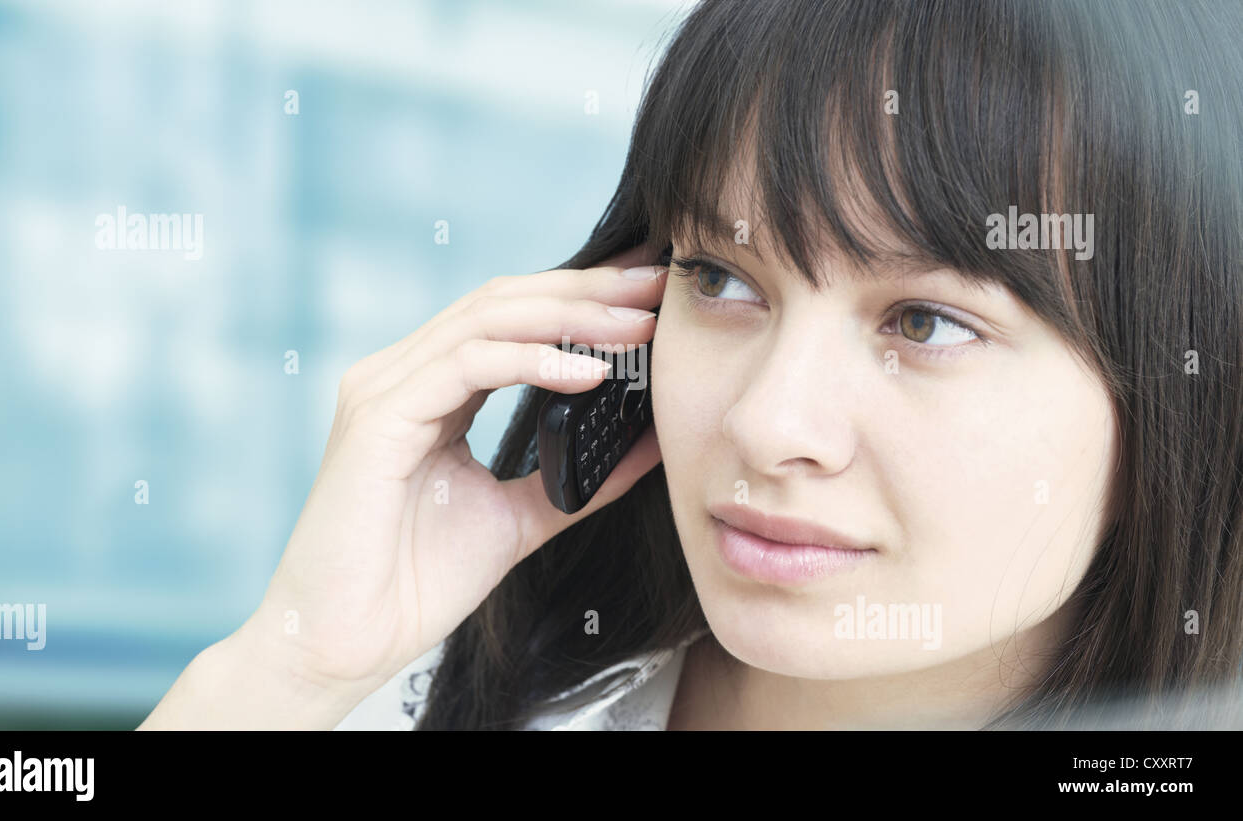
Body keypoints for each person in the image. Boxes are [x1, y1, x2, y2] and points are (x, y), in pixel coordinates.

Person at [141, 0, 1243, 730]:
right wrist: (290, 671)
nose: (768, 423)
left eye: (922, 322)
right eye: (721, 279)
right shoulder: (476, 698)